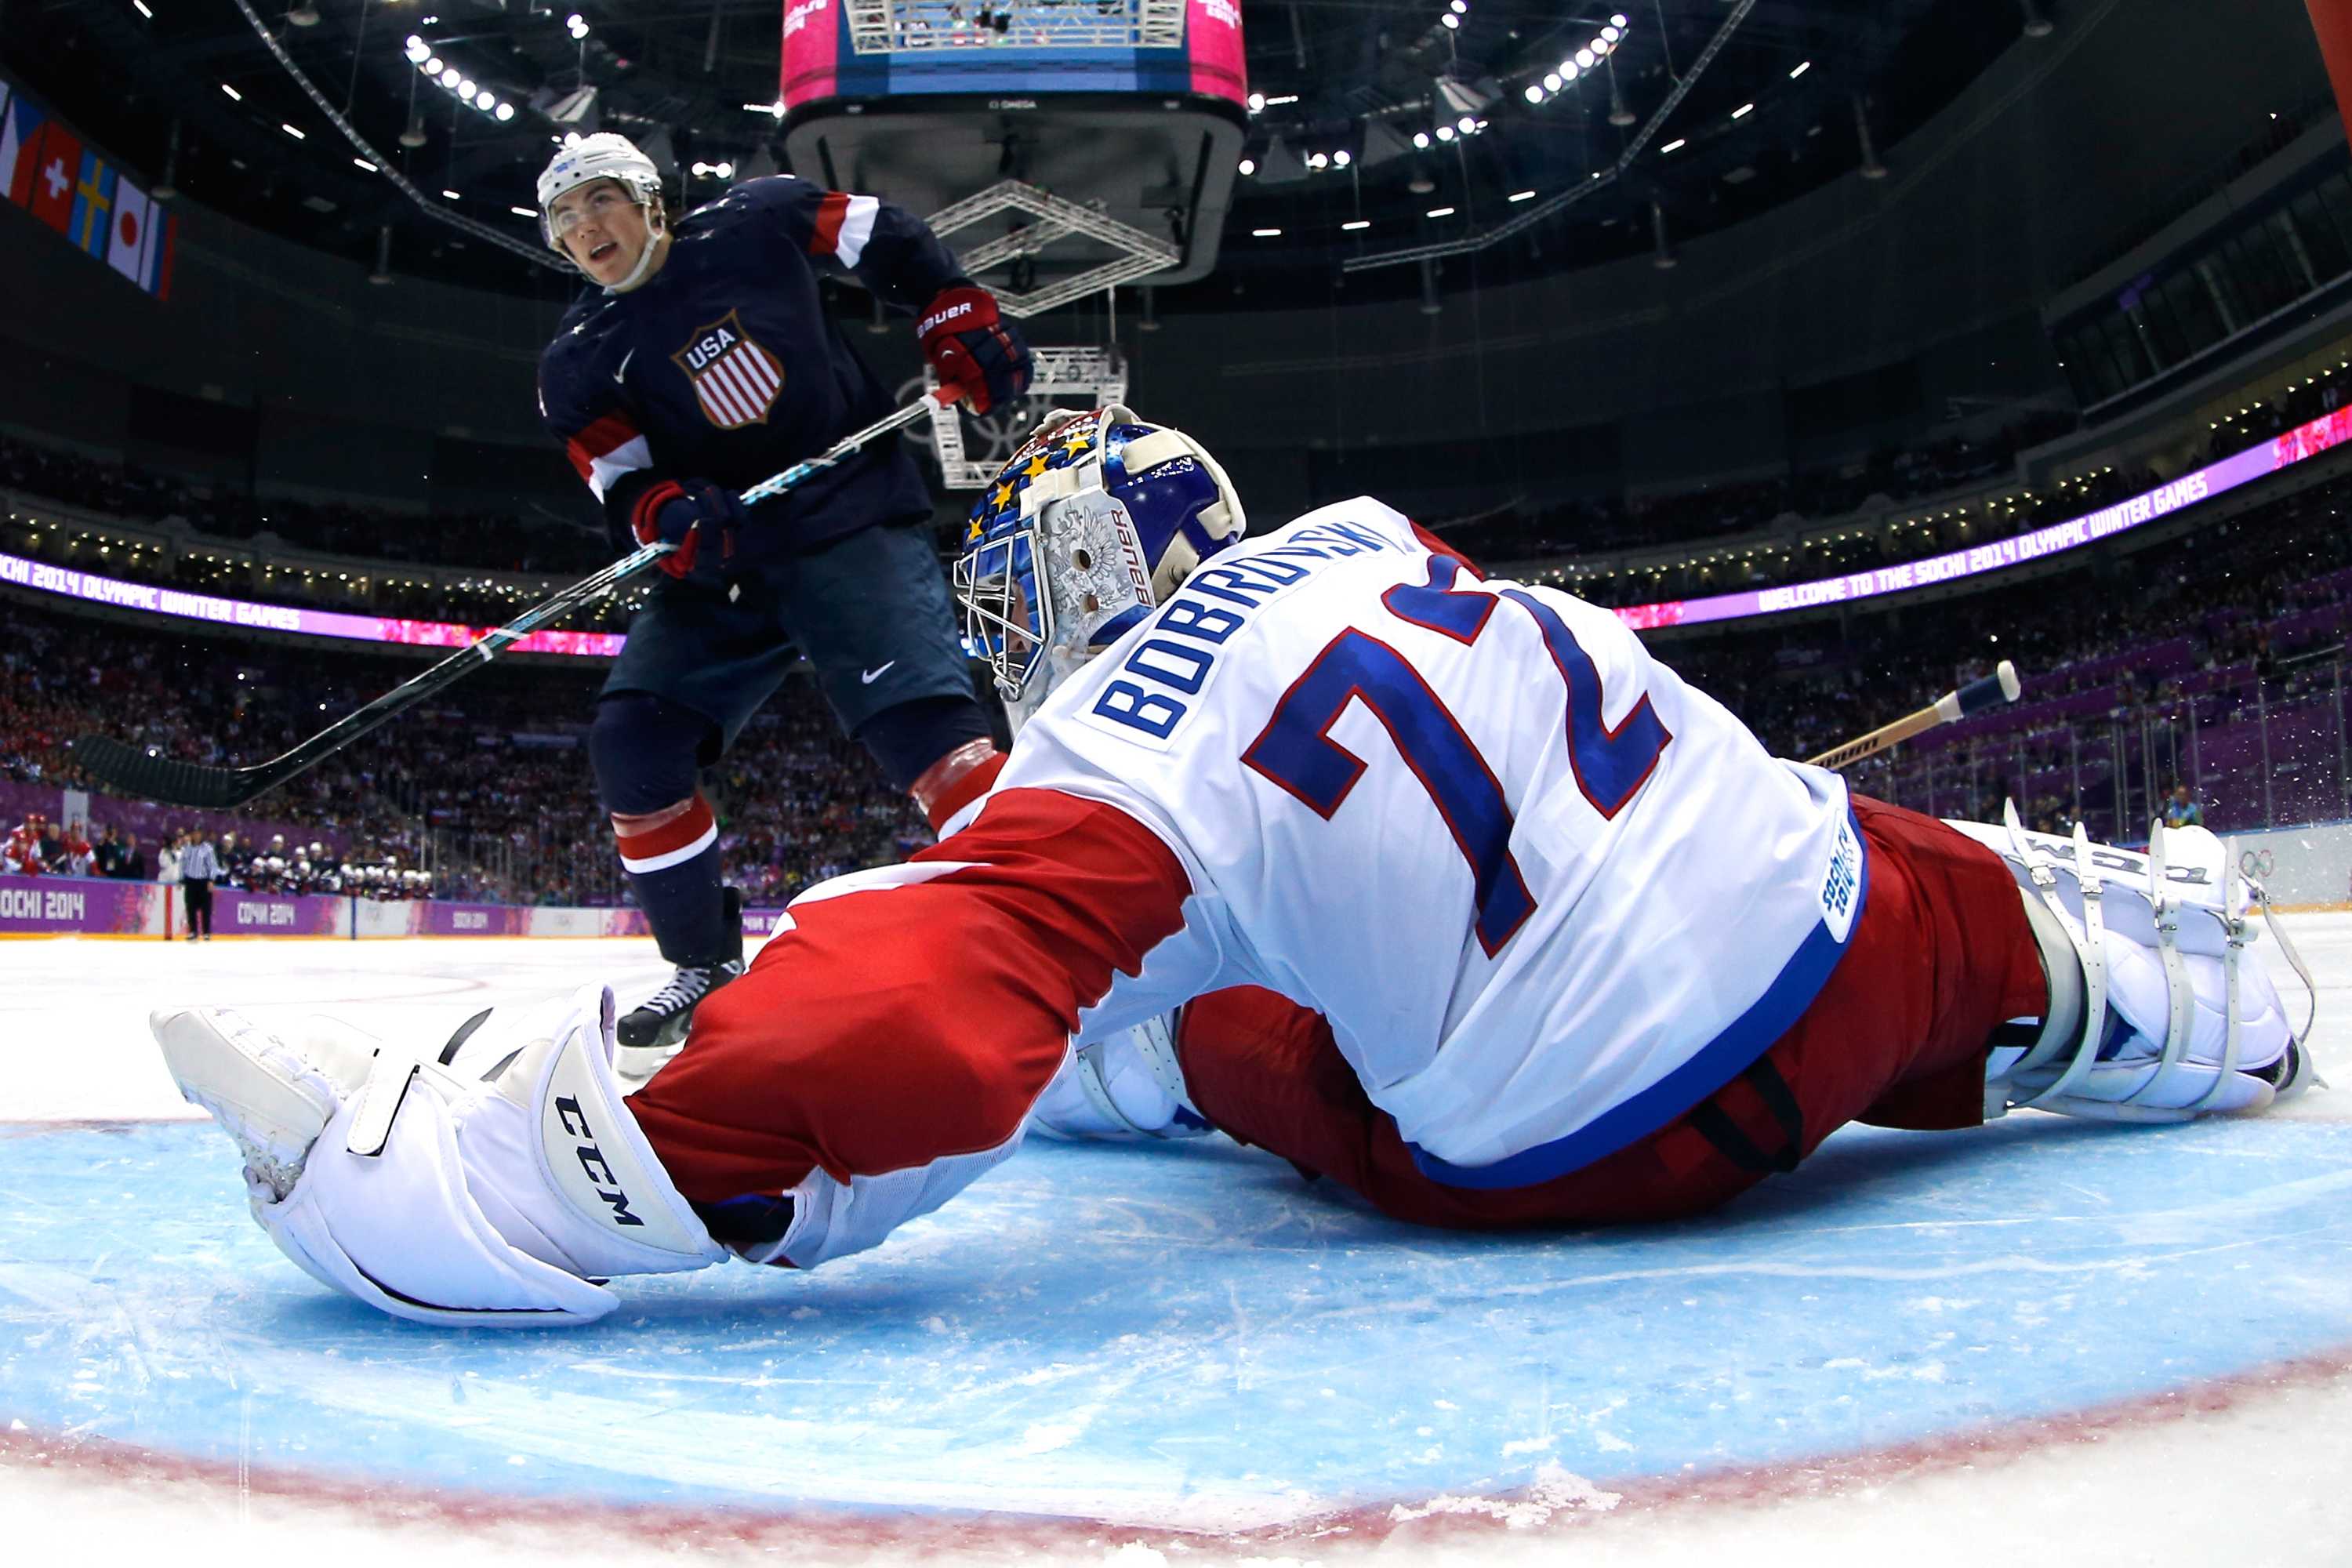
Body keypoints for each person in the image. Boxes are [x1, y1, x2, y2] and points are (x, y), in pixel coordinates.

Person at [153, 408, 2317, 1326]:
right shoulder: (1376, 537)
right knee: (1905, 870)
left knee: (1174, 1029)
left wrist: (509, 1173)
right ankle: (2190, 1000)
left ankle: (524, 1155)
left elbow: (910, 1025)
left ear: (1077, 600)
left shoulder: (1116, 731)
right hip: (1845, 948)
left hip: (1568, 1156)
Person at [531, 132, 1029, 1068]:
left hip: (849, 521)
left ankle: (1052, 931)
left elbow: (888, 235)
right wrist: (665, 511)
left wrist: (949, 305)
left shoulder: (758, 219)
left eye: (600, 198)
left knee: (931, 739)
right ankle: (702, 967)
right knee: (634, 740)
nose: (585, 225)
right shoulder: (578, 360)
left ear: (649, 199)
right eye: (564, 216)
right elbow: (619, 483)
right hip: (729, 563)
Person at [179, 829, 218, 942]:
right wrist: (182, 878)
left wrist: (211, 880)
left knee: (206, 908)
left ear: (201, 835)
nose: (196, 835)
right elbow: (183, 864)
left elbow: (213, 866)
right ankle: (193, 931)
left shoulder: (208, 849)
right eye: (194, 833)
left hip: (203, 881)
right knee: (190, 907)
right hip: (190, 881)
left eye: (198, 833)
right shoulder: (187, 848)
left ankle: (206, 932)